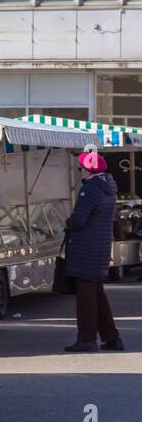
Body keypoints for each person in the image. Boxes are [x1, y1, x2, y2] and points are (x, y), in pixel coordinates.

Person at [63, 151, 124, 352]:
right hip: (99, 248)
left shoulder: (90, 190)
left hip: (85, 250)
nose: (80, 170)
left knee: (86, 297)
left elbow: (80, 220)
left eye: (81, 167)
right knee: (97, 294)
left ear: (89, 169)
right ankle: (112, 337)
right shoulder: (108, 188)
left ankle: (87, 339)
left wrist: (68, 222)